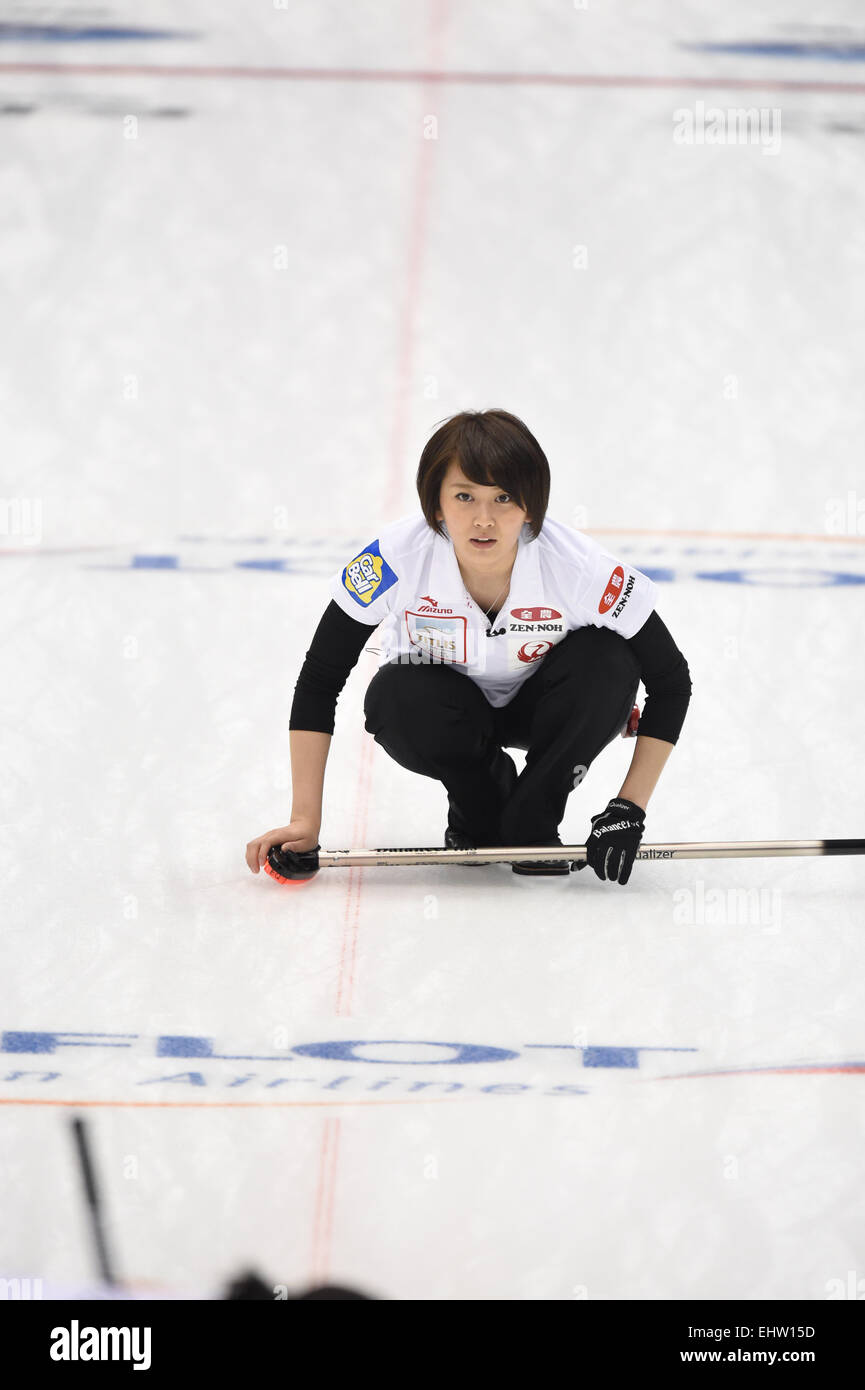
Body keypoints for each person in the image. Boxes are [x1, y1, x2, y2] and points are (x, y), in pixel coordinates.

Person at [246, 409, 692, 882]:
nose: (484, 519)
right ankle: (478, 801)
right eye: (464, 497)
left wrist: (629, 808)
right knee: (396, 693)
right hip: (452, 714)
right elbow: (319, 681)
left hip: (549, 711)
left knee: (608, 659)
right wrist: (304, 821)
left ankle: (536, 813)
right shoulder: (393, 559)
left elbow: (671, 682)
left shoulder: (582, 569)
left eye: (503, 498)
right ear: (435, 505)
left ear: (530, 507)